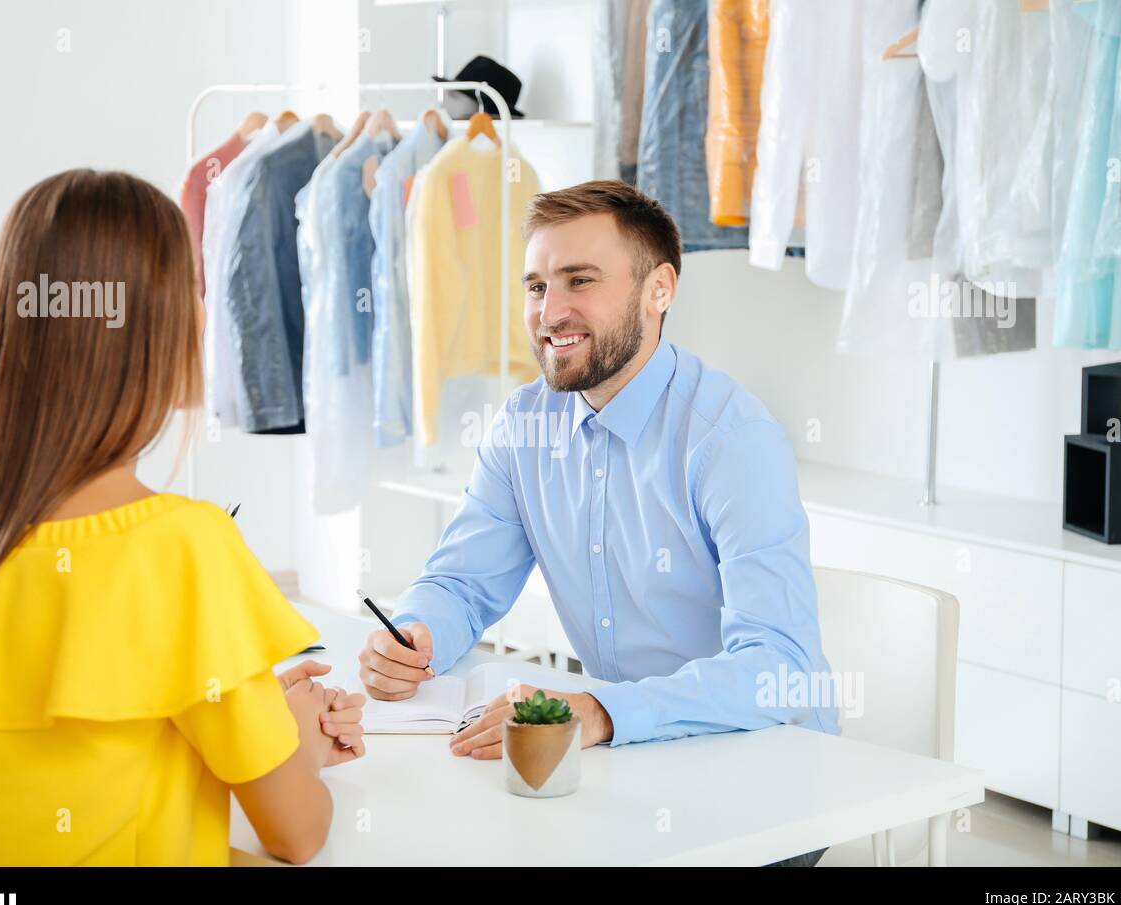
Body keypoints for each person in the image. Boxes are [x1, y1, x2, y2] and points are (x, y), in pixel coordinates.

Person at [0, 169, 363, 866]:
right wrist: (298, 748)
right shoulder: (182, 548)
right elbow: (298, 833)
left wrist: (243, 710)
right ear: (163, 334)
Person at [358, 180, 838, 865]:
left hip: (766, 780)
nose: (549, 312)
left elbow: (781, 671)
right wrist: (417, 635)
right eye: (535, 286)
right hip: (622, 761)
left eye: (579, 280)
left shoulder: (732, 440)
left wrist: (605, 714)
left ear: (659, 290)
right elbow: (463, 581)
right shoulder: (525, 425)